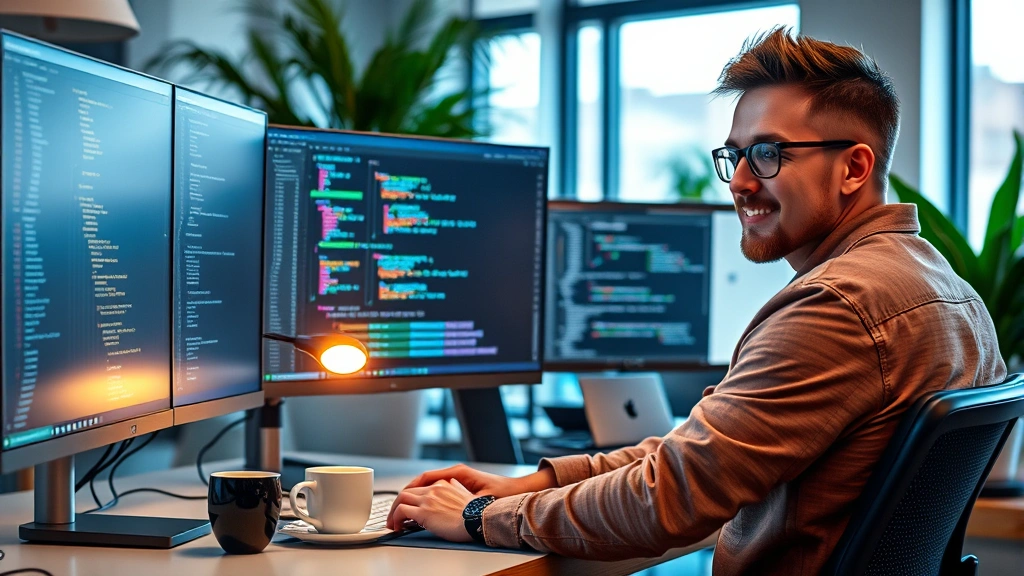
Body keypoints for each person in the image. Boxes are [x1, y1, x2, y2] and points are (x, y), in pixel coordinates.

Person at [386, 27, 1007, 574]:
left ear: (853, 168)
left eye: (767, 154)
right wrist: (527, 485)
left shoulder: (835, 307)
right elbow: (695, 454)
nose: (739, 181)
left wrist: (479, 517)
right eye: (734, 155)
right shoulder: (950, 293)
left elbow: (667, 499)